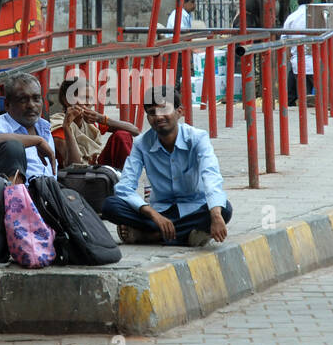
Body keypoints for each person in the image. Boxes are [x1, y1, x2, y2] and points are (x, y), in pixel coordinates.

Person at [101, 86, 231, 247]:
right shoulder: (142, 144)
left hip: (194, 208)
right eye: (152, 112)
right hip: (160, 211)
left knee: (224, 209)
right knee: (110, 205)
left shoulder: (197, 138)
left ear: (179, 112)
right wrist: (153, 214)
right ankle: (185, 234)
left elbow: (211, 176)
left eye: (164, 109)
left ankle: (151, 236)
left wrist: (216, 215)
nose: (158, 116)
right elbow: (124, 188)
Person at [0, 72, 56, 181]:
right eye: (23, 100)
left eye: (36, 99)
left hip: (47, 193)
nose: (31, 105)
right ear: (7, 105)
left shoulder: (43, 128)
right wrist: (37, 141)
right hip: (3, 195)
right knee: (12, 147)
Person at [51, 74, 138, 169]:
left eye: (91, 98)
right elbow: (74, 165)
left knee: (122, 135)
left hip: (98, 170)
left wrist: (102, 118)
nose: (89, 103)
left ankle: (125, 180)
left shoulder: (91, 121)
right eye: (84, 97)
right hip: (75, 176)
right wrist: (67, 127)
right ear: (67, 100)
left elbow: (134, 131)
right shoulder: (58, 125)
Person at [283, 0, 317, 106]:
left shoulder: (291, 18)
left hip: (297, 63)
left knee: (300, 93)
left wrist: (289, 57)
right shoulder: (316, 17)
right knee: (320, 93)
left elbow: (285, 40)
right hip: (316, 62)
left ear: (297, 1)